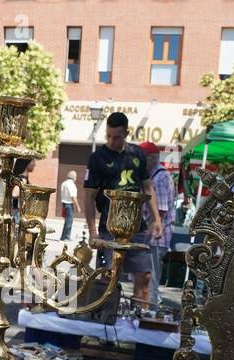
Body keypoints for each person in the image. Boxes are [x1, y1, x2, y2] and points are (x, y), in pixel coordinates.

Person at [84, 111, 163, 309]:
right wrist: (93, 232)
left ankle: (138, 321)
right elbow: (89, 197)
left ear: (127, 132)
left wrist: (157, 219)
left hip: (136, 227)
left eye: (117, 137)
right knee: (107, 278)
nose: (112, 141)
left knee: (144, 276)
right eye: (108, 136)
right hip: (108, 228)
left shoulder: (138, 154)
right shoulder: (97, 157)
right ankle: (104, 323)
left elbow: (147, 188)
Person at [140, 142, 175, 310]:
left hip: (155, 238)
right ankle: (147, 310)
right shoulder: (153, 176)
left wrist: (145, 234)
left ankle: (150, 315)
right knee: (146, 280)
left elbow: (159, 213)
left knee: (150, 280)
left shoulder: (160, 178)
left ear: (153, 158)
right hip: (153, 237)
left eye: (143, 158)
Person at [59, 170, 79, 241]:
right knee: (69, 221)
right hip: (69, 204)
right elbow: (73, 196)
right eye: (76, 176)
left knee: (68, 220)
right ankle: (64, 237)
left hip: (64, 203)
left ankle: (67, 236)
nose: (76, 177)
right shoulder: (71, 184)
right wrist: (78, 206)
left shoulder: (64, 183)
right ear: (73, 177)